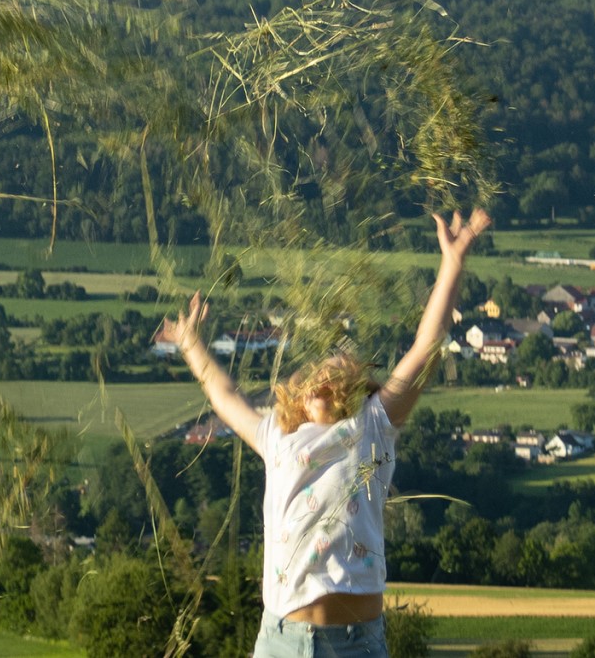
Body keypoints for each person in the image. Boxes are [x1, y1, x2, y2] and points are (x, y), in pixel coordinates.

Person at [164, 209, 492, 658]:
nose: (327, 374)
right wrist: (191, 346)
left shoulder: (372, 426)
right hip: (282, 641)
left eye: (342, 373)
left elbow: (426, 345)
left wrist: (453, 262)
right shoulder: (276, 436)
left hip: (358, 644)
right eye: (320, 370)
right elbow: (226, 396)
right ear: (298, 394)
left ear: (360, 392)